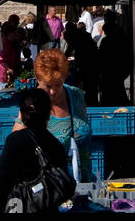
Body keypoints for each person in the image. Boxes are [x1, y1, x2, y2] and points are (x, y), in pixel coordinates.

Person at [0, 88, 75, 215]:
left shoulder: (15, 141)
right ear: (48, 115)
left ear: (21, 114)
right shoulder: (56, 145)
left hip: (22, 206)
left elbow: (1, 186)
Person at [26, 49, 92, 181]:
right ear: (38, 79)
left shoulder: (76, 95)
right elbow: (16, 144)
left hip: (82, 180)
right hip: (51, 186)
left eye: (58, 84)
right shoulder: (31, 103)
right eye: (48, 86)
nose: (53, 91)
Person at [98, 11, 132, 106]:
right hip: (116, 71)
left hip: (112, 71)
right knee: (117, 92)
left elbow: (101, 57)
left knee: (113, 94)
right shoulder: (121, 36)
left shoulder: (109, 40)